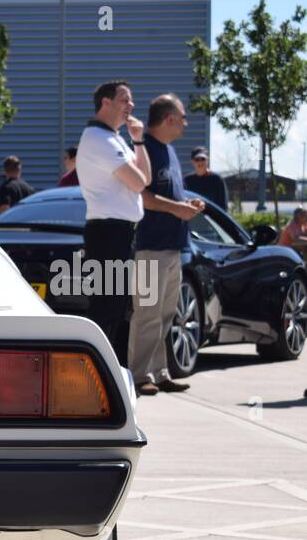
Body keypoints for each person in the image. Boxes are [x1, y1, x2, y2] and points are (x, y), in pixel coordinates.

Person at [129, 94, 204, 396]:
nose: (186, 123)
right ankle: (137, 375)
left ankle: (159, 373)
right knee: (146, 313)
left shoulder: (170, 151)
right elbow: (141, 195)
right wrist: (177, 209)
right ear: (169, 118)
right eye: (182, 117)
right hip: (149, 246)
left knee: (164, 315)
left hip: (173, 247)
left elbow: (166, 196)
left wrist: (187, 204)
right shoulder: (144, 149)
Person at [76, 79, 150, 366]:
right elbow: (140, 181)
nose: (130, 106)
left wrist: (139, 141)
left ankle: (112, 372)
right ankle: (90, 372)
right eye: (124, 100)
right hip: (108, 231)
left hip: (121, 231)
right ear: (105, 103)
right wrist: (139, 170)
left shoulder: (115, 137)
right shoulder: (98, 139)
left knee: (119, 307)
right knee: (107, 307)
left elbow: (146, 179)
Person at [183, 147, 228, 212]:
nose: (200, 162)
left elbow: (223, 206)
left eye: (203, 159)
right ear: (192, 162)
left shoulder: (217, 180)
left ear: (207, 160)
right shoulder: (186, 180)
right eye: (197, 159)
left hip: (212, 219)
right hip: (193, 219)